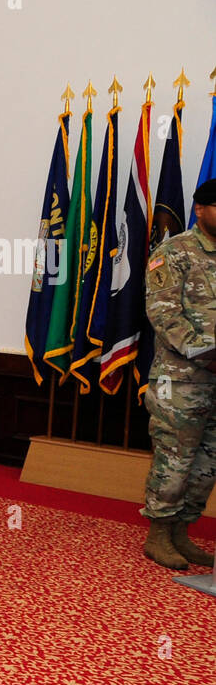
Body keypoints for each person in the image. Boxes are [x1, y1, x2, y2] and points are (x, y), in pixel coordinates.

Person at [142, 179, 216, 568]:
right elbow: (164, 314)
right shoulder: (173, 252)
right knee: (176, 456)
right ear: (200, 209)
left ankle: (182, 532)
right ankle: (158, 533)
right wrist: (207, 355)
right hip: (182, 378)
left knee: (208, 462)